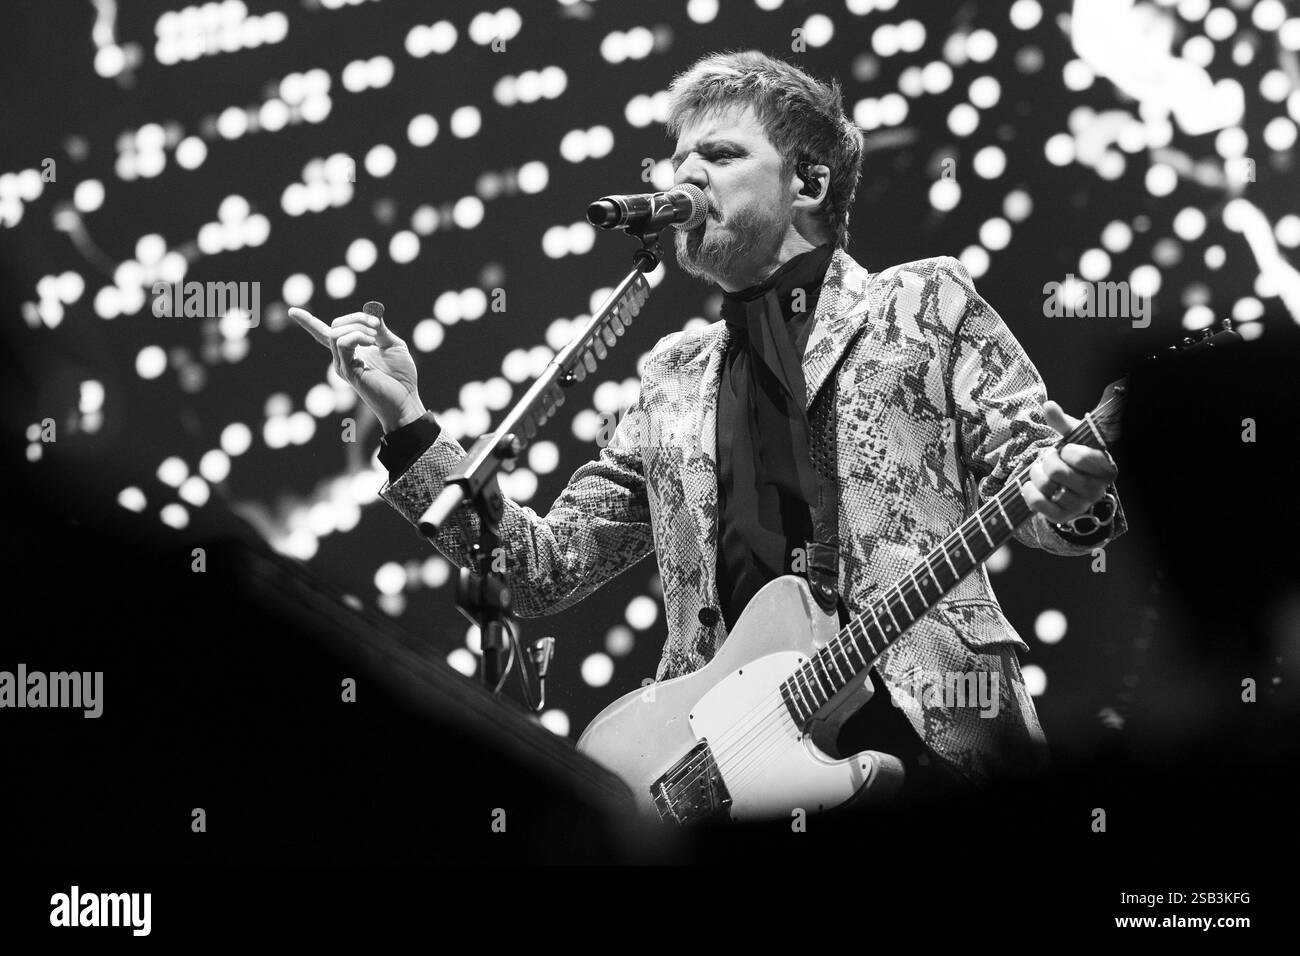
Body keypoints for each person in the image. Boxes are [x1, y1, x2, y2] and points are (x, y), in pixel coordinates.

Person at [290, 50, 1126, 795]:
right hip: (725, 767)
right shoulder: (670, 377)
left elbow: (1044, 484)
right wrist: (406, 418)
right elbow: (540, 570)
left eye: (720, 155)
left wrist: (1072, 496)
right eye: (676, 156)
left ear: (810, 182)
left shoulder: (922, 304)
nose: (685, 175)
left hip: (930, 729)